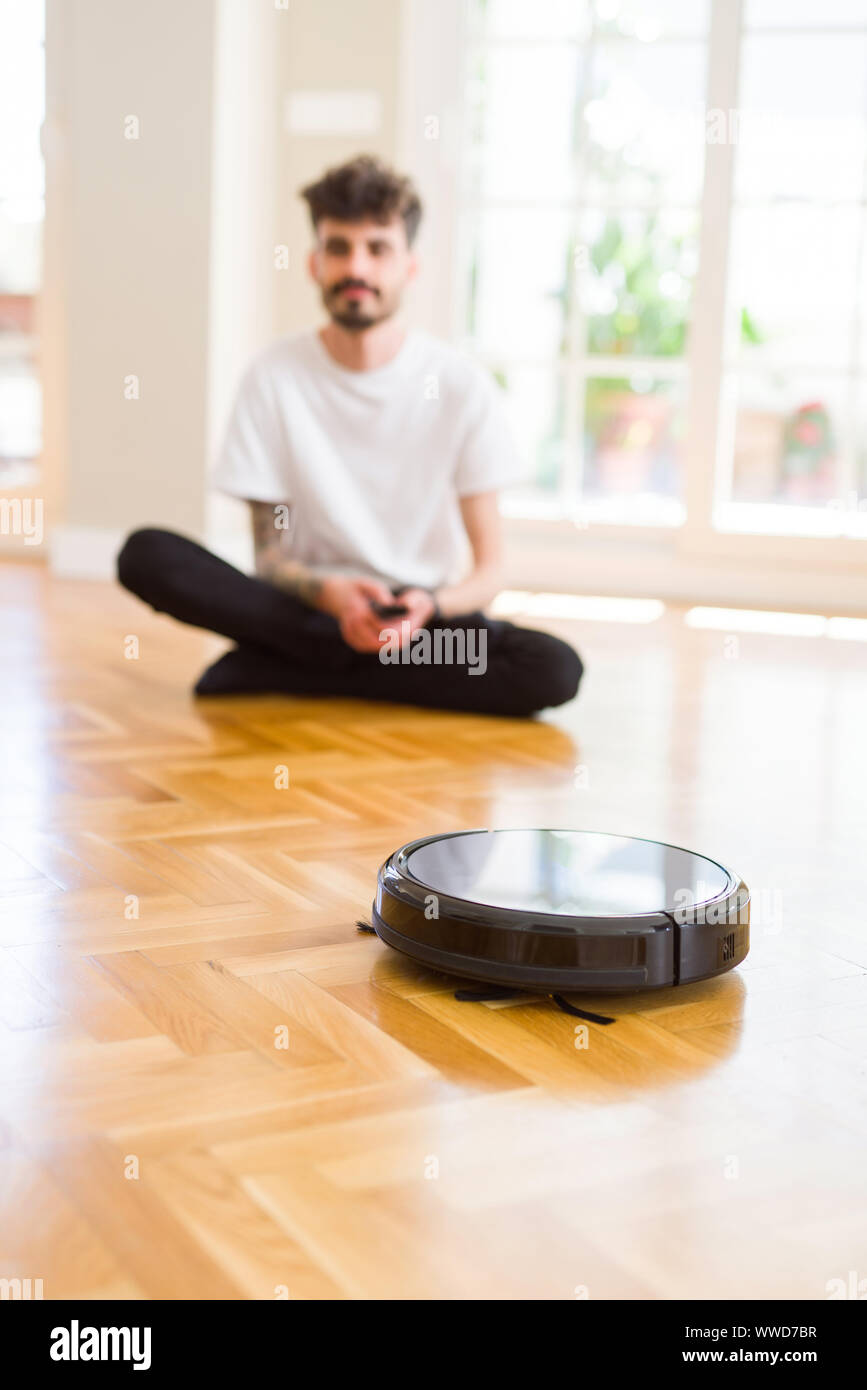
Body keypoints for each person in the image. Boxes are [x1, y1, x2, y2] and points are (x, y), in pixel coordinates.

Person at [117, 155, 583, 718]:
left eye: (377, 249)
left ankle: (290, 669)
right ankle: (331, 662)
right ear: (314, 263)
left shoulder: (460, 386)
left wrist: (429, 606)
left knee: (553, 667)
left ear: (409, 266)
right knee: (147, 554)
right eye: (338, 248)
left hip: (421, 628)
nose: (355, 267)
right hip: (308, 608)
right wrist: (333, 595)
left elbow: (490, 572)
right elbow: (271, 557)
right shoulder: (273, 378)